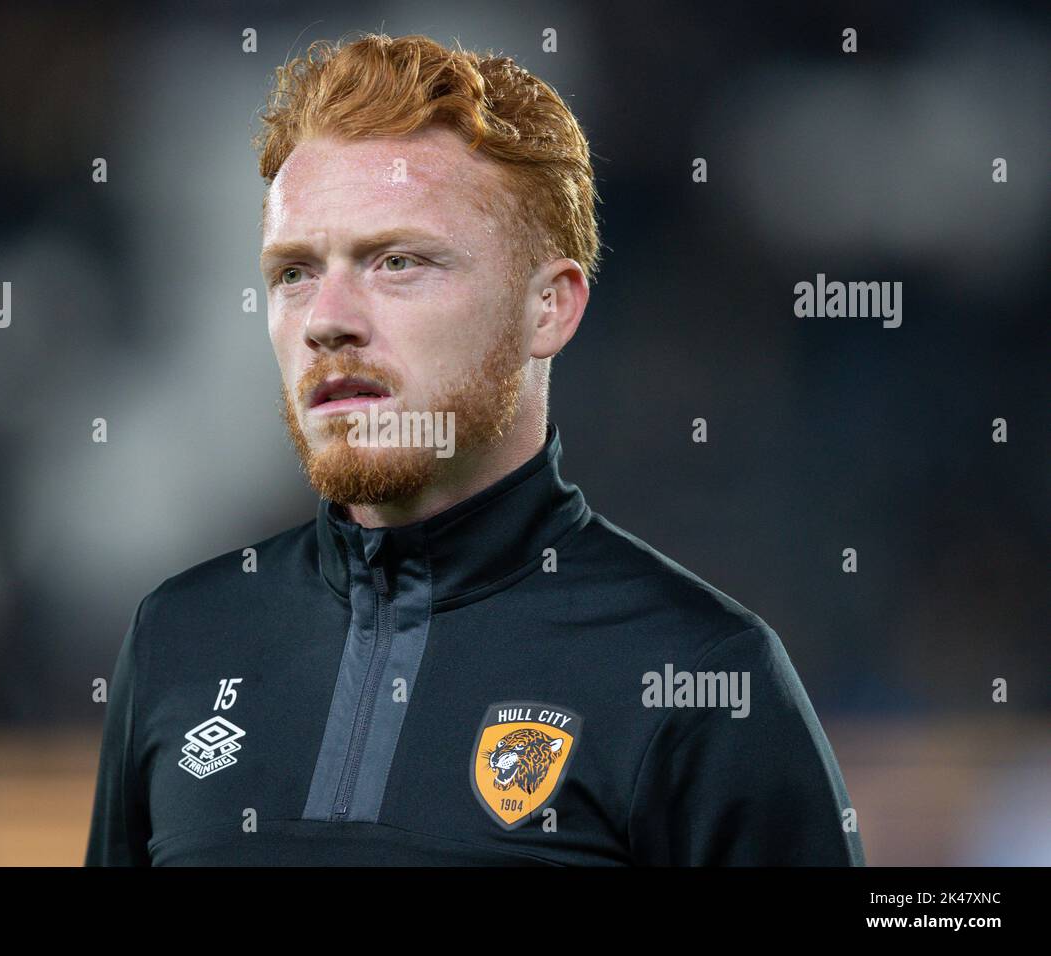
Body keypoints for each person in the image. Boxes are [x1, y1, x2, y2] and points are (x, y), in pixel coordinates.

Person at [85, 32, 865, 866]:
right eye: (294, 272)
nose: (326, 319)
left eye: (397, 261)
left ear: (549, 309)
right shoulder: (180, 637)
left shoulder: (704, 678)